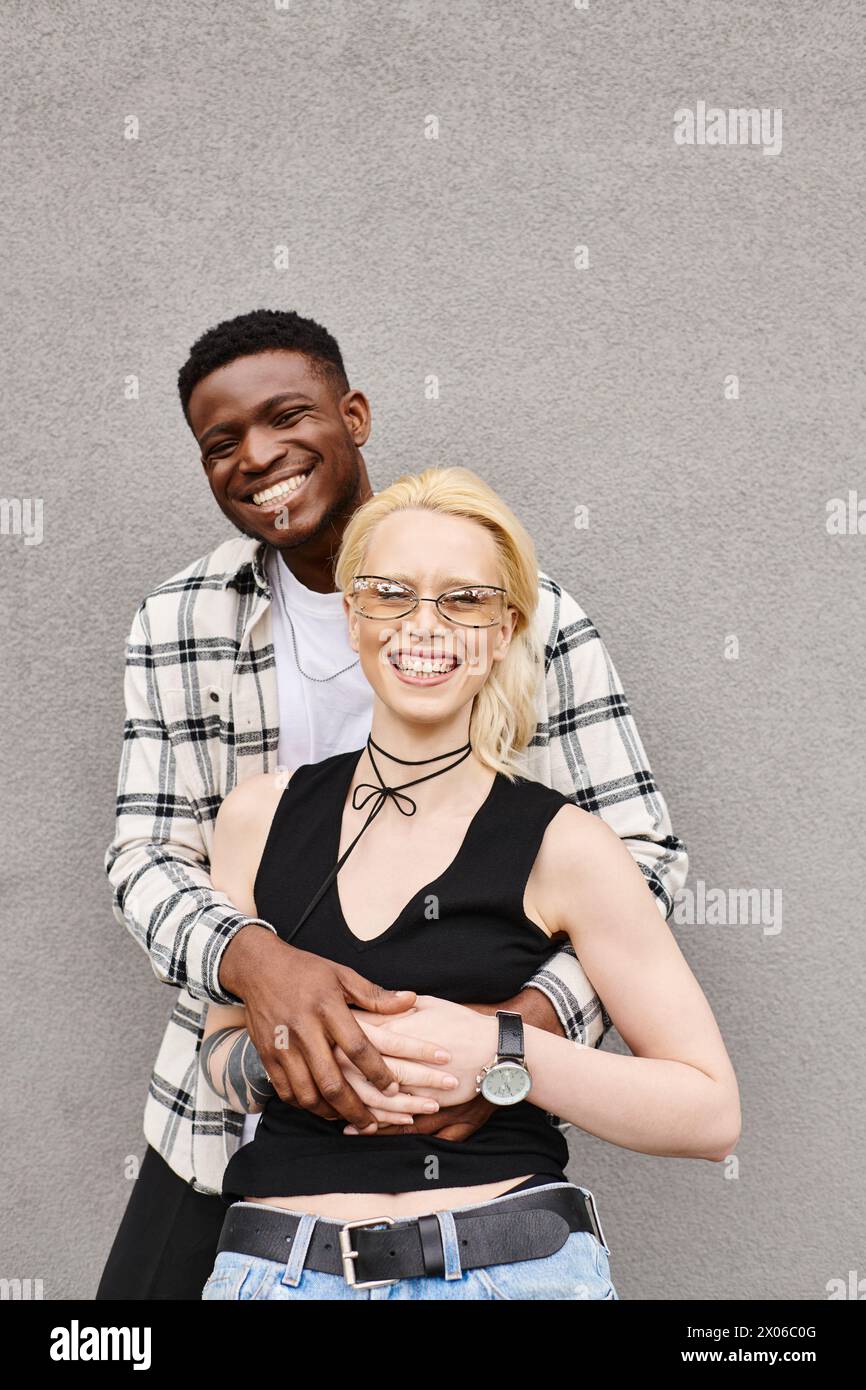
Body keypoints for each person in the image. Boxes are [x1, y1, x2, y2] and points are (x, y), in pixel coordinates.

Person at [96, 308, 688, 1300]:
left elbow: (642, 854)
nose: (260, 456)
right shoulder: (177, 619)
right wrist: (261, 963)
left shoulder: (518, 609)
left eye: (287, 416)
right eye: (221, 441)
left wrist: (515, 1037)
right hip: (236, 1118)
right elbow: (144, 856)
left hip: (468, 1149)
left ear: (355, 415)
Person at [197, 465, 740, 1301]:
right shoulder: (257, 818)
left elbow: (709, 1114)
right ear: (352, 615)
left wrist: (499, 1051)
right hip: (276, 1273)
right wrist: (303, 1057)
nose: (425, 625)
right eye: (392, 593)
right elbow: (221, 1054)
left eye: (464, 600)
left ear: (503, 631)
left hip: (505, 1271)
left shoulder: (568, 844)